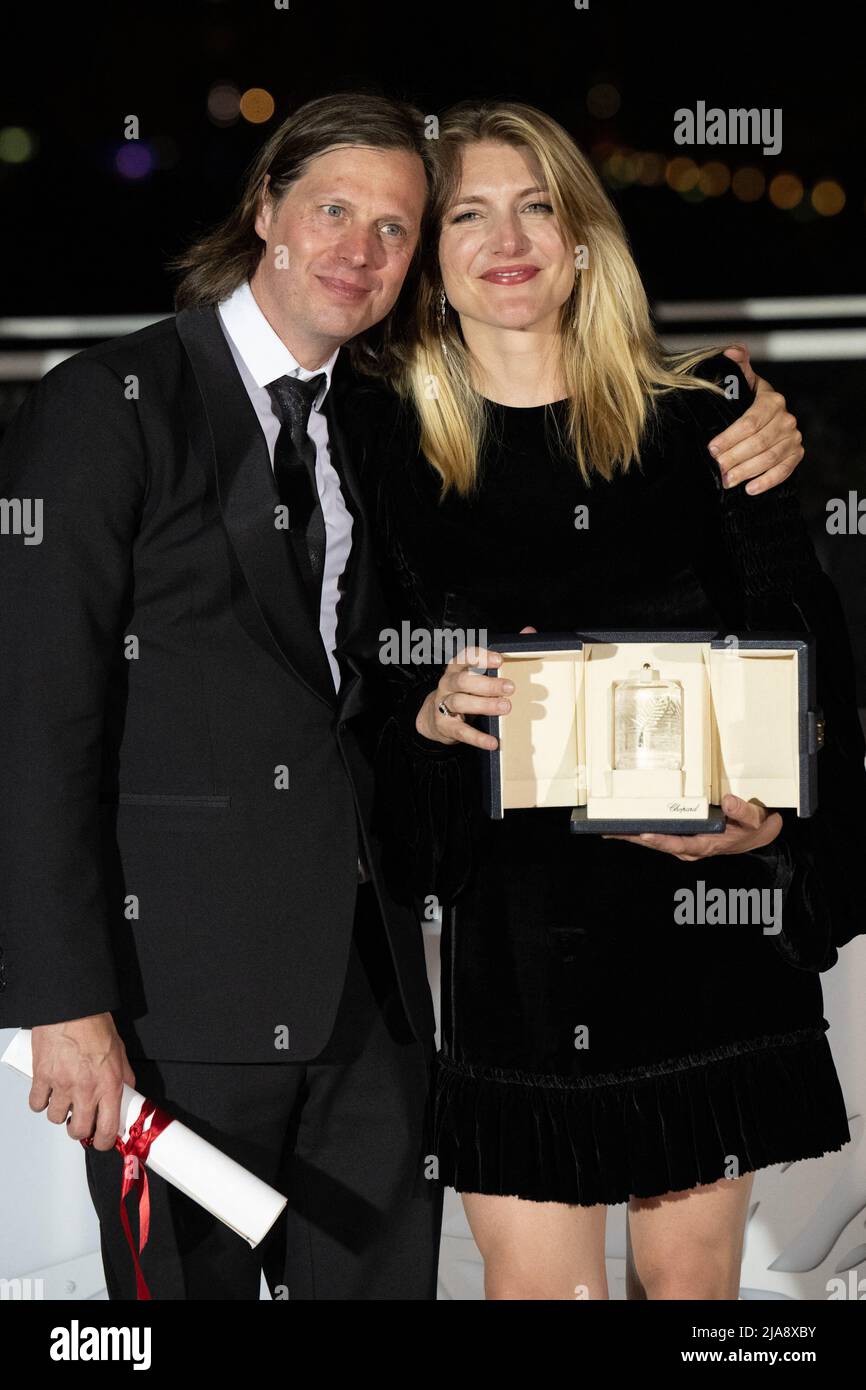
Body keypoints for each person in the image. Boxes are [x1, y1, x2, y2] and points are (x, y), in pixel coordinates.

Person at [0, 89, 806, 1302]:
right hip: (185, 1001)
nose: (357, 250)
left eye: (392, 228)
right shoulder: (109, 405)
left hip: (377, 1001)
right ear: (264, 209)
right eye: (332, 210)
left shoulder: (367, 423)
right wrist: (61, 1001)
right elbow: (33, 716)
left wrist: (743, 401)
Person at [346, 99, 866, 1301]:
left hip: (701, 944)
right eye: (467, 212)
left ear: (583, 238)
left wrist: (777, 828)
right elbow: (359, 691)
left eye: (537, 205)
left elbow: (808, 655)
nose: (507, 237)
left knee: (693, 1305)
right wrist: (428, 721)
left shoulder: (707, 420)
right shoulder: (377, 448)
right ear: (429, 258)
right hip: (514, 961)